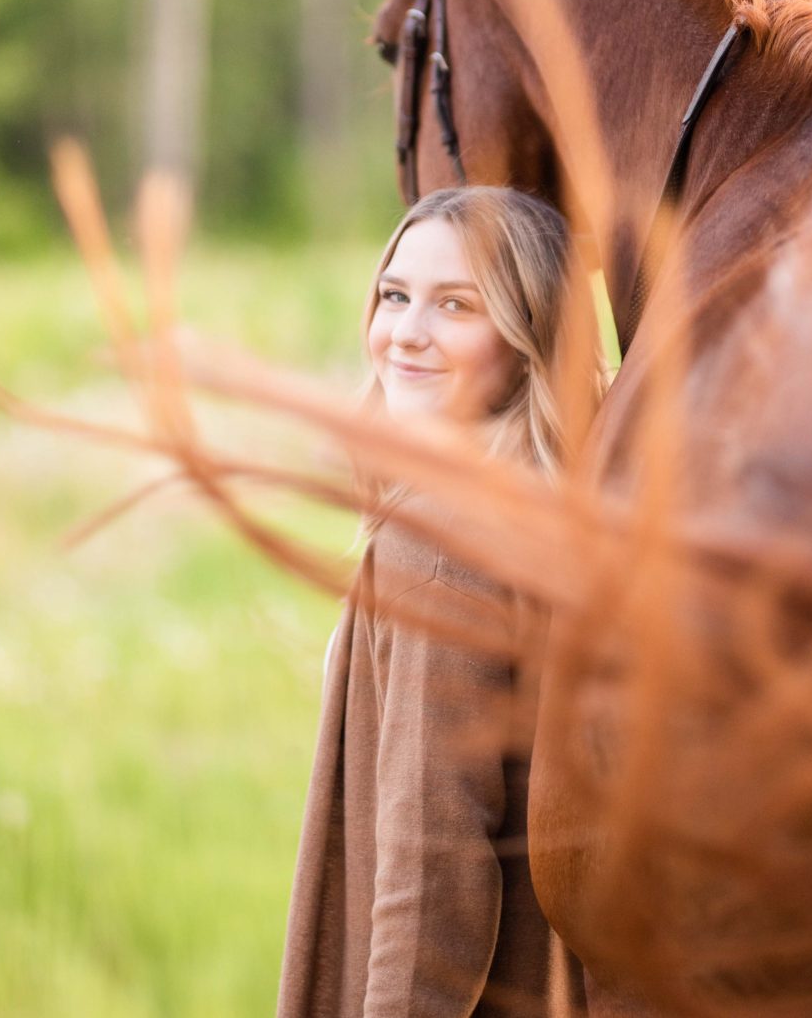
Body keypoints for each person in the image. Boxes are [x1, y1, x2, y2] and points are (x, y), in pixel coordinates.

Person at [277, 186, 604, 1018]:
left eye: (456, 304)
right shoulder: (563, 514)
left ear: (528, 335)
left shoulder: (442, 539)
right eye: (395, 295)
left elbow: (433, 866)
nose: (406, 333)